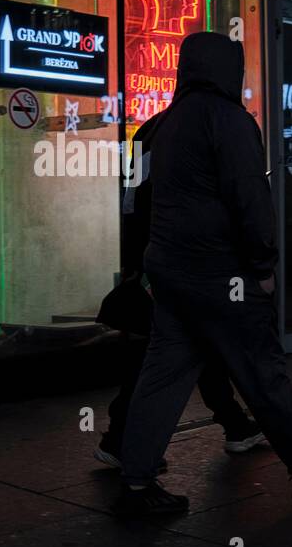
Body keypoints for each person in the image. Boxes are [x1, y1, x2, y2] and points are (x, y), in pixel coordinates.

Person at [112, 31, 292, 516]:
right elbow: (251, 200)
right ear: (228, 71)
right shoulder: (230, 121)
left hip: (170, 271)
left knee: (162, 375)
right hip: (221, 274)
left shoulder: (161, 126)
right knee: (263, 372)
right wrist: (263, 267)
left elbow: (140, 202)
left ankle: (135, 482)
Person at [94, 100, 268, 471]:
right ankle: (123, 439)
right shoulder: (214, 126)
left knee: (193, 345)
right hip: (193, 262)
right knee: (179, 350)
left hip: (157, 260)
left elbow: (131, 198)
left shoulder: (152, 129)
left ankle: (233, 424)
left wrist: (136, 258)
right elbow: (237, 200)